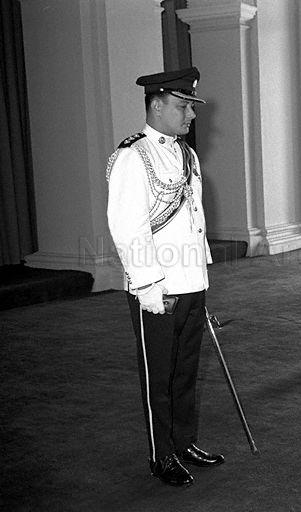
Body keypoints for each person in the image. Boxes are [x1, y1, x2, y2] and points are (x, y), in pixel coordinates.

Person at [106, 67, 224, 487]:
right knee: (159, 375)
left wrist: (200, 273)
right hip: (157, 287)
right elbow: (128, 226)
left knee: (185, 370)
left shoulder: (186, 153)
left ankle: (185, 440)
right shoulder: (132, 156)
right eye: (182, 106)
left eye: (191, 105)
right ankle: (161, 454)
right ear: (156, 105)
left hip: (190, 281)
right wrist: (147, 286)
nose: (190, 114)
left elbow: (194, 218)